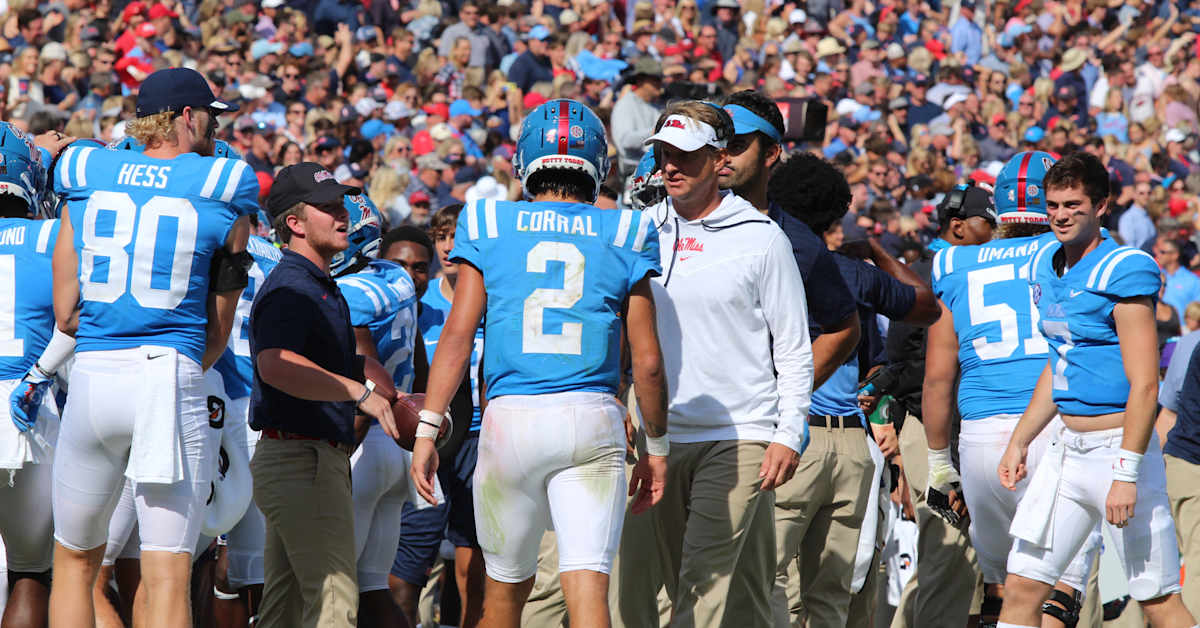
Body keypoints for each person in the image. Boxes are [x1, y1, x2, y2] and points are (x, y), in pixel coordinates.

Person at [410, 98, 670, 628]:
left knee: (503, 598)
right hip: (592, 418)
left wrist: (428, 429)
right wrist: (657, 447)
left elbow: (457, 339)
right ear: (599, 163)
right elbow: (646, 362)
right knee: (589, 593)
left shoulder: (487, 219)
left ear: (526, 159)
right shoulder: (624, 230)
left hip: (511, 423)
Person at [46, 67, 255, 628]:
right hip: (169, 372)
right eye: (210, 114)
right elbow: (219, 327)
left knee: (74, 563)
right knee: (166, 573)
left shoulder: (86, 169)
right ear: (188, 116)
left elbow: (66, 313)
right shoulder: (226, 183)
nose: (214, 126)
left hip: (93, 373)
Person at [632, 100, 814, 626]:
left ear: (718, 159)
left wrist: (788, 432)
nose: (670, 166)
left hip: (739, 436)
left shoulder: (762, 237)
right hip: (660, 437)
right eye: (663, 154)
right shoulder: (640, 230)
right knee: (738, 591)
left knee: (700, 588)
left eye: (684, 155)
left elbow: (794, 347)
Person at [997, 152, 1197, 628]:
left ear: (1102, 206)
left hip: (1118, 449)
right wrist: (1020, 439)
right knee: (1023, 585)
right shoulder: (1046, 264)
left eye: (1073, 205)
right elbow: (1059, 364)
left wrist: (1127, 472)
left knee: (1156, 598)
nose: (1061, 215)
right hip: (1067, 449)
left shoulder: (1123, 268)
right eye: (1053, 205)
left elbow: (1146, 382)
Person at [923, 152, 1100, 628]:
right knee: (1057, 592)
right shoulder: (1072, 251)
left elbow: (938, 376)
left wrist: (939, 461)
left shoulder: (952, 261)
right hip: (1054, 425)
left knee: (1008, 595)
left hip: (980, 436)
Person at [767, 152, 940, 628]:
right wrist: (877, 254)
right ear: (832, 213)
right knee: (832, 594)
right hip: (848, 443)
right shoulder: (850, 271)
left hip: (789, 433)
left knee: (768, 579)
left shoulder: (759, 257)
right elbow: (925, 306)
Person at [248, 162, 398, 628]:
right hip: (302, 458)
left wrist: (370, 379)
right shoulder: (293, 286)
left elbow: (317, 361)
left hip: (301, 458)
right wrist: (357, 391)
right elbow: (274, 364)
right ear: (294, 223)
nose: (343, 214)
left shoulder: (317, 283)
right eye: (328, 206)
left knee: (286, 607)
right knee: (334, 604)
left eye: (342, 203)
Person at [885, 185, 994, 628]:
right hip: (930, 425)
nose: (998, 230)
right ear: (958, 226)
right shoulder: (926, 275)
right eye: (990, 222)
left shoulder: (984, 270)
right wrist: (937, 450)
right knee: (948, 554)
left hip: (964, 427)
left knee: (961, 563)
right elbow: (906, 366)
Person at [391, 202, 487, 628]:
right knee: (413, 558)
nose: (450, 247)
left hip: (477, 439)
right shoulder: (417, 300)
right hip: (422, 443)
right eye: (442, 237)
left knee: (471, 561)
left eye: (458, 237)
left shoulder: (489, 298)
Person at [332, 193, 424, 627]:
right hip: (394, 449)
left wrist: (341, 449)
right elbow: (418, 357)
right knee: (372, 589)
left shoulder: (350, 292)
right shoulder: (396, 275)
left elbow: (366, 375)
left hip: (364, 442)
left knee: (333, 590)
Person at [2, 123, 71, 628]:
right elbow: (76, 321)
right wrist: (40, 373)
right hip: (27, 407)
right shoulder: (51, 236)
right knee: (30, 571)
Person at [211, 229, 282, 628]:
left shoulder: (200, 240)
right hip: (253, 407)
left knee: (170, 553)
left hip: (202, 396)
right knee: (251, 563)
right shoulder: (275, 257)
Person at [1161, 324, 1200, 616]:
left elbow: (1168, 414)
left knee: (1160, 572)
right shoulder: (1191, 344)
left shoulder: (1190, 343)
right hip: (1191, 467)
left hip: (1178, 464)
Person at [611, 56, 664, 177]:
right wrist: (655, 132)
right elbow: (626, 141)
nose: (659, 83)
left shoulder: (654, 107)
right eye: (655, 79)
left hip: (653, 170)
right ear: (640, 80)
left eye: (660, 78)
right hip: (632, 174)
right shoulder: (625, 104)